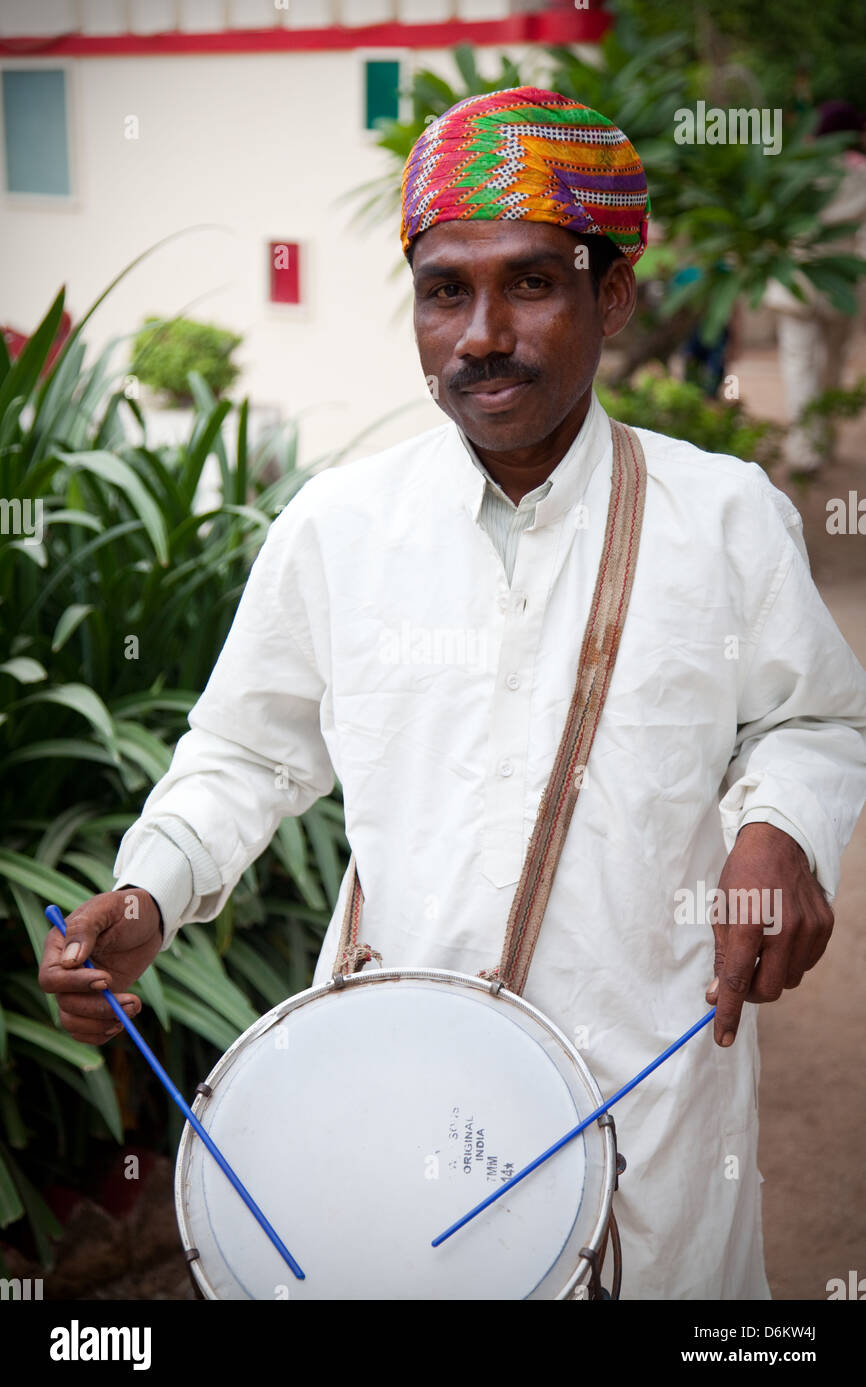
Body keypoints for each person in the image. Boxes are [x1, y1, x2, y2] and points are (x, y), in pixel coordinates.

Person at [39, 88, 866, 1300]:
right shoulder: (339, 526)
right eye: (444, 290)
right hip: (393, 1094)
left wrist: (776, 829)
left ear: (612, 296)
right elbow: (245, 751)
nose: (480, 332)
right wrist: (150, 890)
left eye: (531, 282)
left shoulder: (724, 519)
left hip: (648, 1087)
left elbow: (810, 717)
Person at [764, 100, 866, 472]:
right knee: (833, 364)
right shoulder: (859, 177)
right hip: (841, 280)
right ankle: (825, 438)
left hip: (797, 280)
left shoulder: (795, 170)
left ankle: (805, 451)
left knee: (799, 364)